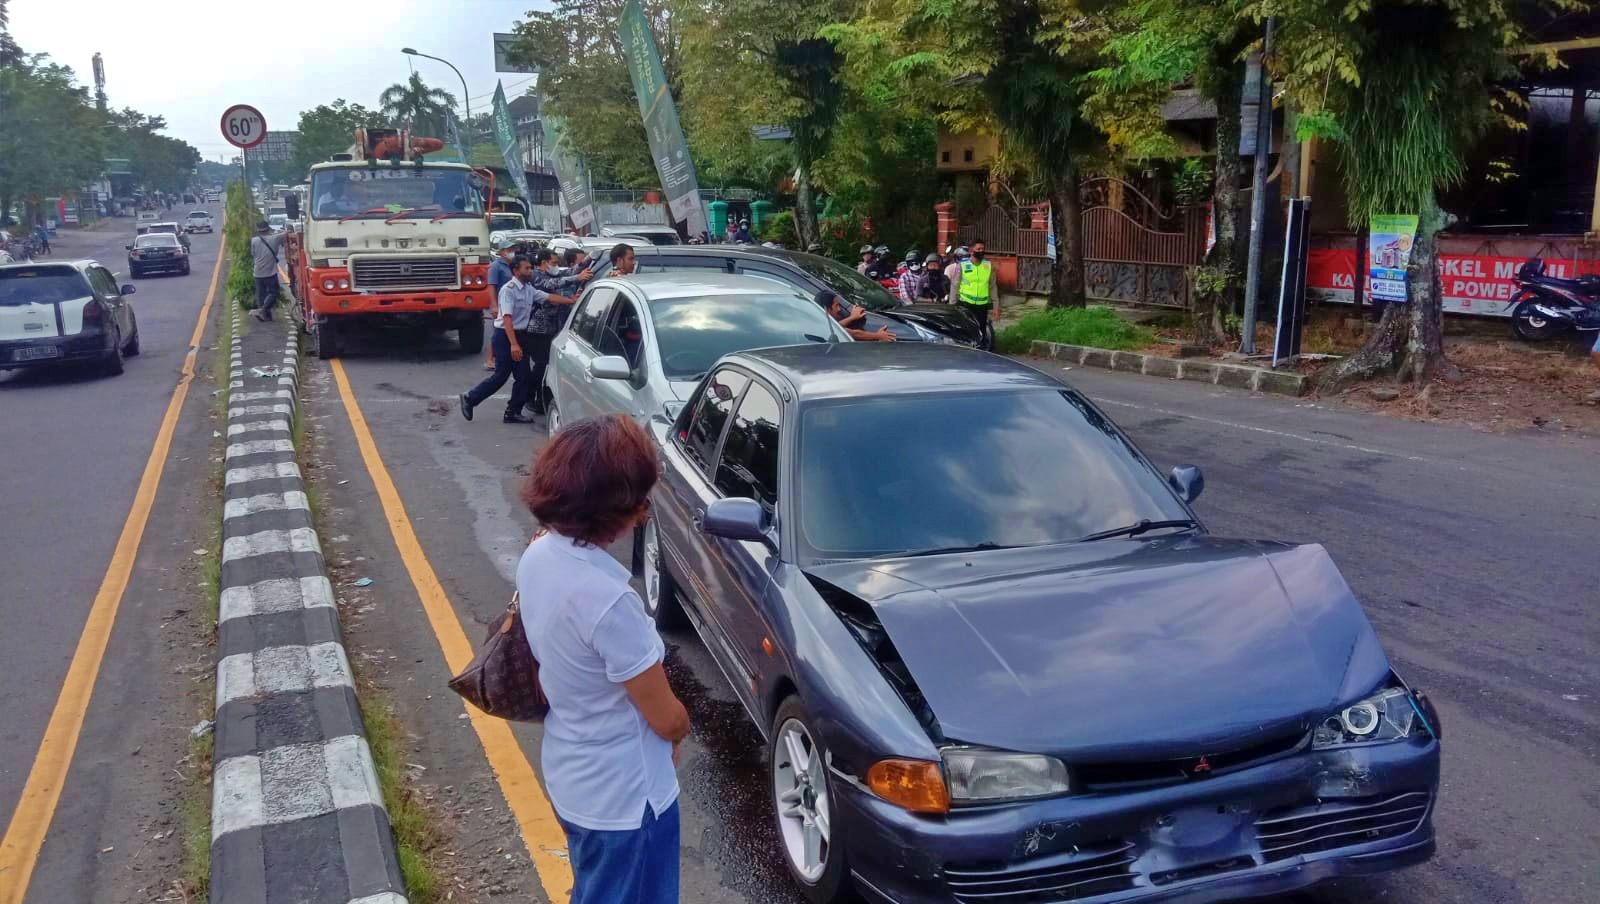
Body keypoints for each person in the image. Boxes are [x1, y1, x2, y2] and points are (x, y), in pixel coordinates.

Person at [518, 414, 689, 904]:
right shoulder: (610, 603)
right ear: (612, 509)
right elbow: (666, 717)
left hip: (573, 775)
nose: (644, 511)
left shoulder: (538, 556)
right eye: (640, 500)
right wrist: (679, 728)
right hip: (627, 803)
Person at [459, 255, 575, 424]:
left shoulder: (528, 288)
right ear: (516, 271)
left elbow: (548, 297)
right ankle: (470, 398)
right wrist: (513, 344)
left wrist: (571, 300)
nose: (530, 271)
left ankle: (512, 412)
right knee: (501, 376)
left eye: (530, 268)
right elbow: (507, 318)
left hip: (521, 335)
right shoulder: (509, 289)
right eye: (526, 268)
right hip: (506, 336)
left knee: (523, 376)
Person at [526, 248, 592, 413]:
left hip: (552, 329)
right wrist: (577, 278)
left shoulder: (552, 273)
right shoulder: (536, 276)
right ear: (543, 263)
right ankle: (530, 396)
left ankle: (539, 398)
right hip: (538, 330)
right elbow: (552, 284)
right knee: (541, 365)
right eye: (554, 263)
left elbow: (568, 272)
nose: (556, 266)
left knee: (547, 365)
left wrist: (588, 260)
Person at [954, 238, 1000, 348]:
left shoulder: (988, 266)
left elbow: (993, 287)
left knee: (981, 331)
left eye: (983, 249)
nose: (981, 251)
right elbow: (955, 286)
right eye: (978, 249)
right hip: (966, 303)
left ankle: (980, 350)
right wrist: (952, 304)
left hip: (982, 305)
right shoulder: (962, 265)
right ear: (971, 250)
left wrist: (996, 307)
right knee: (965, 330)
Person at [484, 240, 518, 370]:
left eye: (513, 250)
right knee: (498, 331)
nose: (512, 252)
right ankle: (490, 359)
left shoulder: (512, 265)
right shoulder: (496, 266)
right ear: (502, 252)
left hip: (510, 302)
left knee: (507, 329)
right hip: (500, 303)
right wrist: (494, 305)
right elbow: (491, 286)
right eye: (509, 250)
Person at [815, 289, 896, 341]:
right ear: (827, 309)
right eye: (836, 305)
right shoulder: (822, 326)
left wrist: (852, 317)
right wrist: (877, 336)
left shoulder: (818, 319)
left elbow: (837, 326)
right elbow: (852, 333)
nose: (839, 309)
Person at [250, 221, 288, 322]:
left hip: (258, 272)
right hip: (270, 272)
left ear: (258, 231)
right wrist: (285, 229)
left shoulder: (254, 240)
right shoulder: (275, 238)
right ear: (268, 229)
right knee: (274, 293)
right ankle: (263, 311)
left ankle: (265, 316)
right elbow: (286, 233)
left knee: (261, 296)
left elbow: (253, 254)